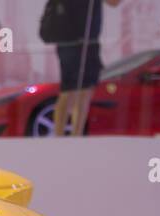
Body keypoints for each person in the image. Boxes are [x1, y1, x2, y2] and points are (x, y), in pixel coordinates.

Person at [41, 0, 122, 136]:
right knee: (72, 91)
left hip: (84, 42)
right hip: (74, 42)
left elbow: (114, 2)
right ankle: (62, 135)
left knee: (82, 91)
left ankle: (73, 135)